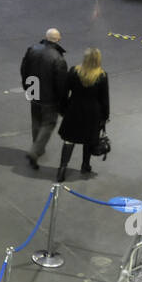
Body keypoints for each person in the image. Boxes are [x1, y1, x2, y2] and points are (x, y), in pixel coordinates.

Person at [56, 47, 110, 182]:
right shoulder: (102, 76)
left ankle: (62, 169)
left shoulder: (74, 71)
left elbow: (64, 93)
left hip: (74, 111)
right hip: (93, 114)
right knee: (88, 140)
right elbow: (104, 99)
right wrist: (105, 116)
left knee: (69, 140)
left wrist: (63, 110)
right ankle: (85, 165)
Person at [20, 28, 68, 170]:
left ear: (45, 37)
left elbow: (24, 69)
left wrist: (27, 87)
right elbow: (61, 84)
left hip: (34, 92)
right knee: (48, 123)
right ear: (58, 39)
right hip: (49, 98)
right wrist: (62, 104)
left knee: (36, 120)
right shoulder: (58, 59)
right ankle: (35, 151)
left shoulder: (32, 49)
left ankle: (37, 145)